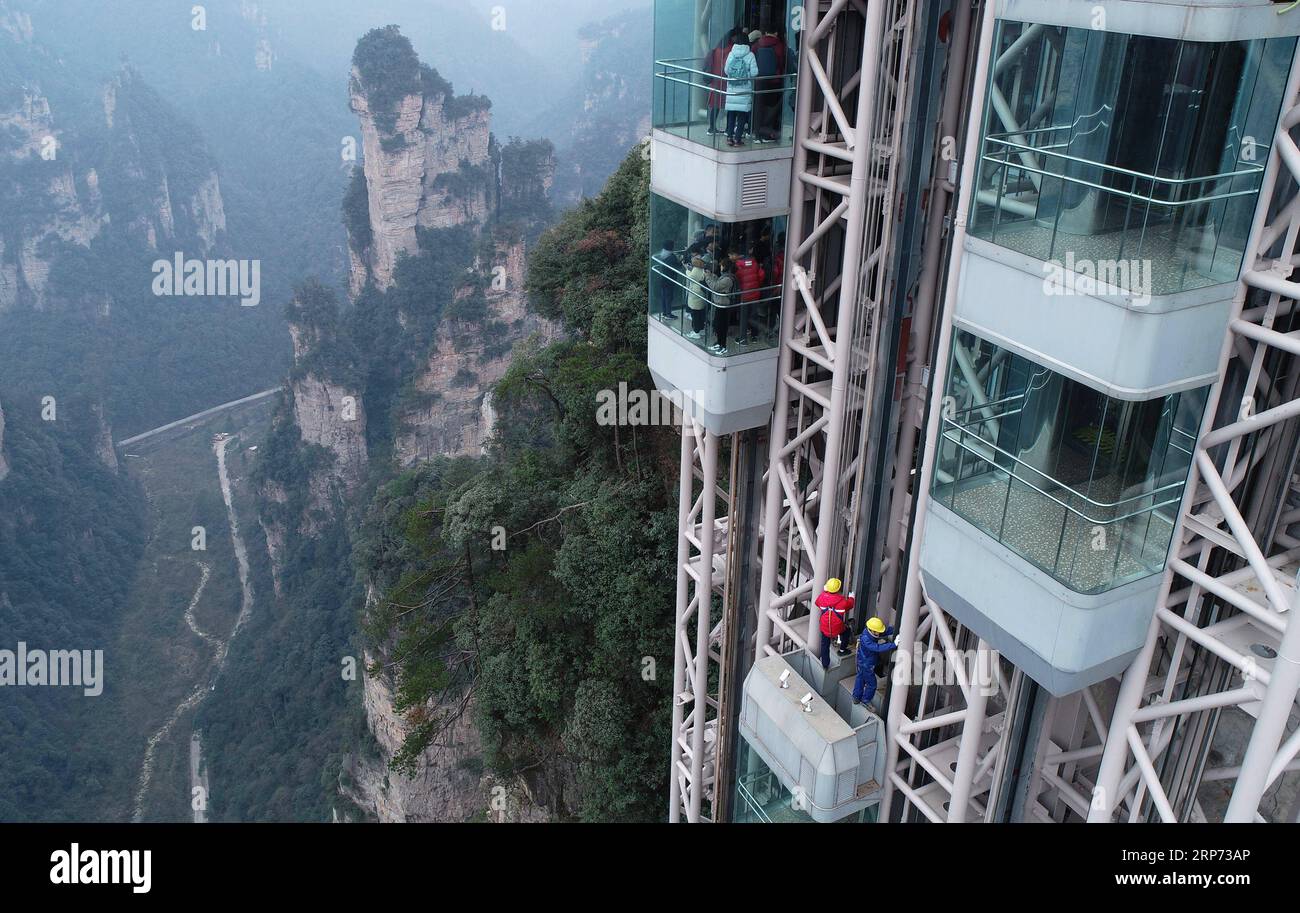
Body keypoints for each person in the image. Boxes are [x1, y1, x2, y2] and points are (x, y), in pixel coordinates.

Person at [853, 617, 899, 707]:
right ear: (871, 630)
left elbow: (883, 632)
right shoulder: (867, 640)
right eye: (877, 632)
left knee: (860, 679)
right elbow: (877, 648)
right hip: (867, 665)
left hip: (862, 662)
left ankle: (856, 697)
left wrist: (895, 629)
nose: (879, 633)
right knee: (872, 684)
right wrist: (894, 644)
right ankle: (865, 700)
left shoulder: (868, 633)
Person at [724, 34, 759, 147]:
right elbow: (754, 73)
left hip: (732, 89)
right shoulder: (750, 55)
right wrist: (744, 75)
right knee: (742, 116)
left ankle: (729, 137)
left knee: (731, 114)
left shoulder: (731, 54)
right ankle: (737, 139)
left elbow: (726, 70)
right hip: (744, 90)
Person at [815, 577, 855, 670]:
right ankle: (842, 650)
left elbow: (817, 603)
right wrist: (851, 597)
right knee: (846, 631)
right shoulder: (842, 602)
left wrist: (825, 592)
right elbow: (850, 605)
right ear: (838, 589)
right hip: (837, 628)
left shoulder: (821, 597)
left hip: (824, 628)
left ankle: (825, 664)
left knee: (824, 644)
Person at [705, 30, 737, 137]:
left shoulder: (718, 48)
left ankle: (712, 127)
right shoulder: (731, 49)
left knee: (715, 105)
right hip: (726, 81)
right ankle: (729, 128)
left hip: (716, 80)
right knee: (730, 106)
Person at [732, 244, 765, 346]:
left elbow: (735, 279)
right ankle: (754, 336)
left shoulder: (737, 264)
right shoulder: (754, 263)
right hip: (755, 293)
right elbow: (761, 275)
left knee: (743, 317)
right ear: (750, 251)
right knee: (754, 315)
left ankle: (743, 339)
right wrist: (756, 285)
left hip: (743, 295)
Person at [708, 258, 736, 354]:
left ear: (725, 267)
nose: (720, 267)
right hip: (719, 304)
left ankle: (723, 346)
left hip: (723, 306)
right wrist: (713, 276)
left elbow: (715, 287)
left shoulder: (728, 279)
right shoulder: (725, 276)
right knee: (717, 325)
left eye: (721, 265)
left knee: (722, 326)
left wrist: (708, 277)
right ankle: (718, 343)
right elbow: (718, 283)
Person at [655, 240, 684, 320]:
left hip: (663, 279)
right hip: (669, 280)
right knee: (669, 297)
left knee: (664, 297)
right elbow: (677, 267)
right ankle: (668, 314)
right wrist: (681, 260)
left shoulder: (663, 255)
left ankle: (664, 313)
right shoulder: (672, 257)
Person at [685, 256, 710, 339]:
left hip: (695, 294)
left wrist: (687, 270)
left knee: (695, 315)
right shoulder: (703, 269)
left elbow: (690, 277)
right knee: (701, 313)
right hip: (701, 293)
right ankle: (701, 329)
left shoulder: (696, 270)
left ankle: (696, 332)